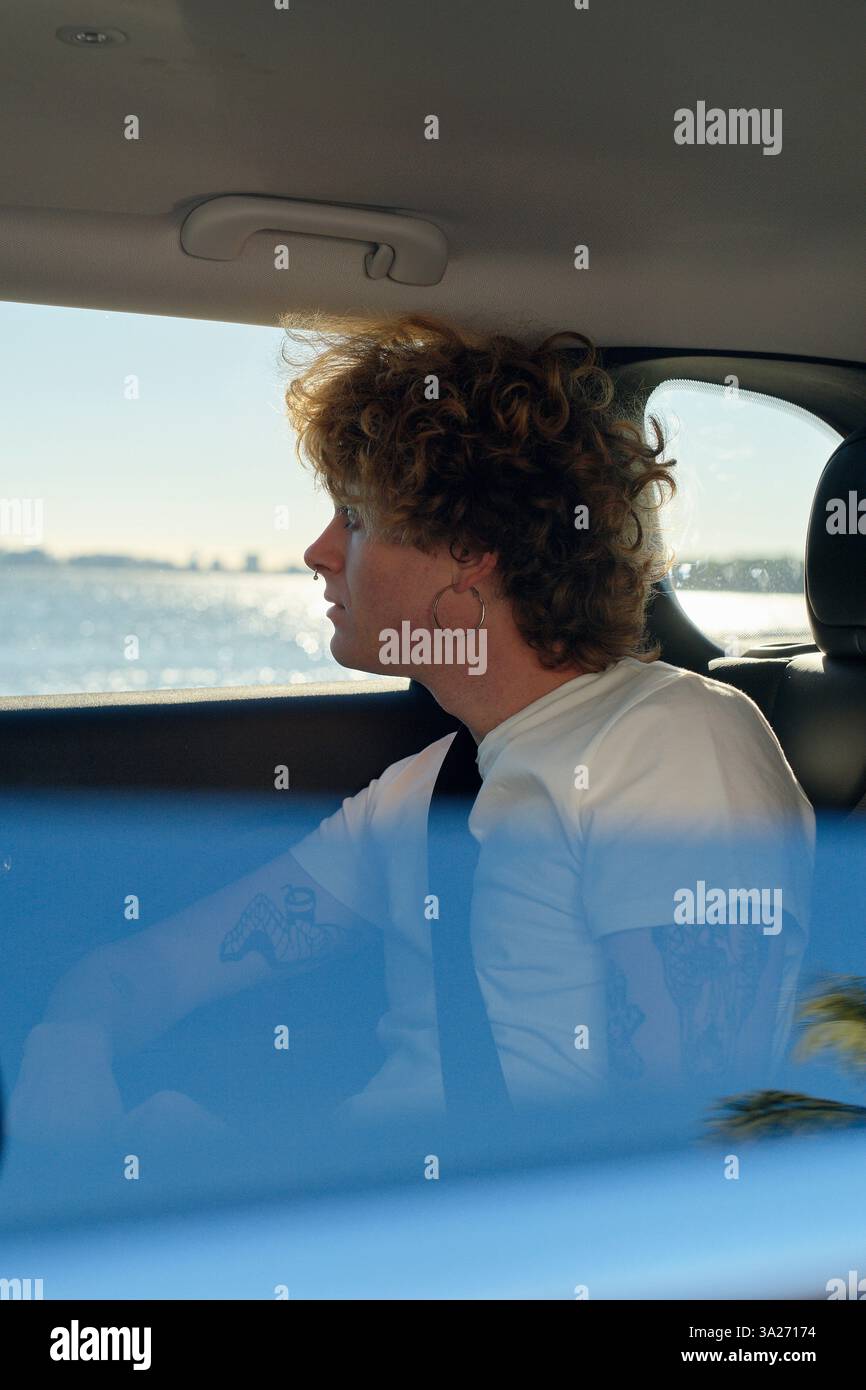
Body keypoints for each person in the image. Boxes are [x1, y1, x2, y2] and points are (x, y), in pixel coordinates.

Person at [8, 314, 815, 1145]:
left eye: (353, 518)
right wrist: (69, 1043)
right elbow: (147, 974)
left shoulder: (675, 745)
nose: (318, 552)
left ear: (470, 551)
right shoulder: (423, 789)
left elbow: (694, 1158)